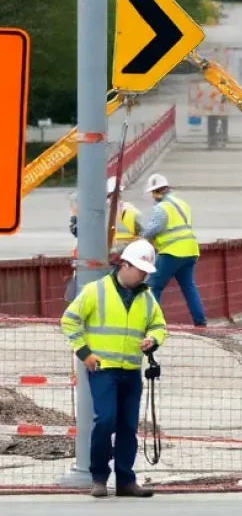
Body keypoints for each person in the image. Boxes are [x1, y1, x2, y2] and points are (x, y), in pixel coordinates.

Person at [60, 240, 166, 498]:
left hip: (130, 369)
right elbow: (69, 321)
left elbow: (158, 325)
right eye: (140, 270)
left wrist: (153, 339)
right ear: (125, 265)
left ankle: (126, 481)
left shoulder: (146, 297)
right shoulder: (95, 291)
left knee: (128, 425)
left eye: (146, 271)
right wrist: (84, 353)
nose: (143, 275)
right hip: (103, 369)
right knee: (105, 421)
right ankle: (99, 477)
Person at [140, 173, 207, 327]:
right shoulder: (183, 204)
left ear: (157, 192)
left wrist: (142, 236)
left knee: (153, 285)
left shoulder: (161, 208)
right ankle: (200, 322)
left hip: (172, 252)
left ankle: (153, 323)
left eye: (152, 193)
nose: (152, 197)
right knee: (189, 287)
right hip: (190, 251)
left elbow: (154, 229)